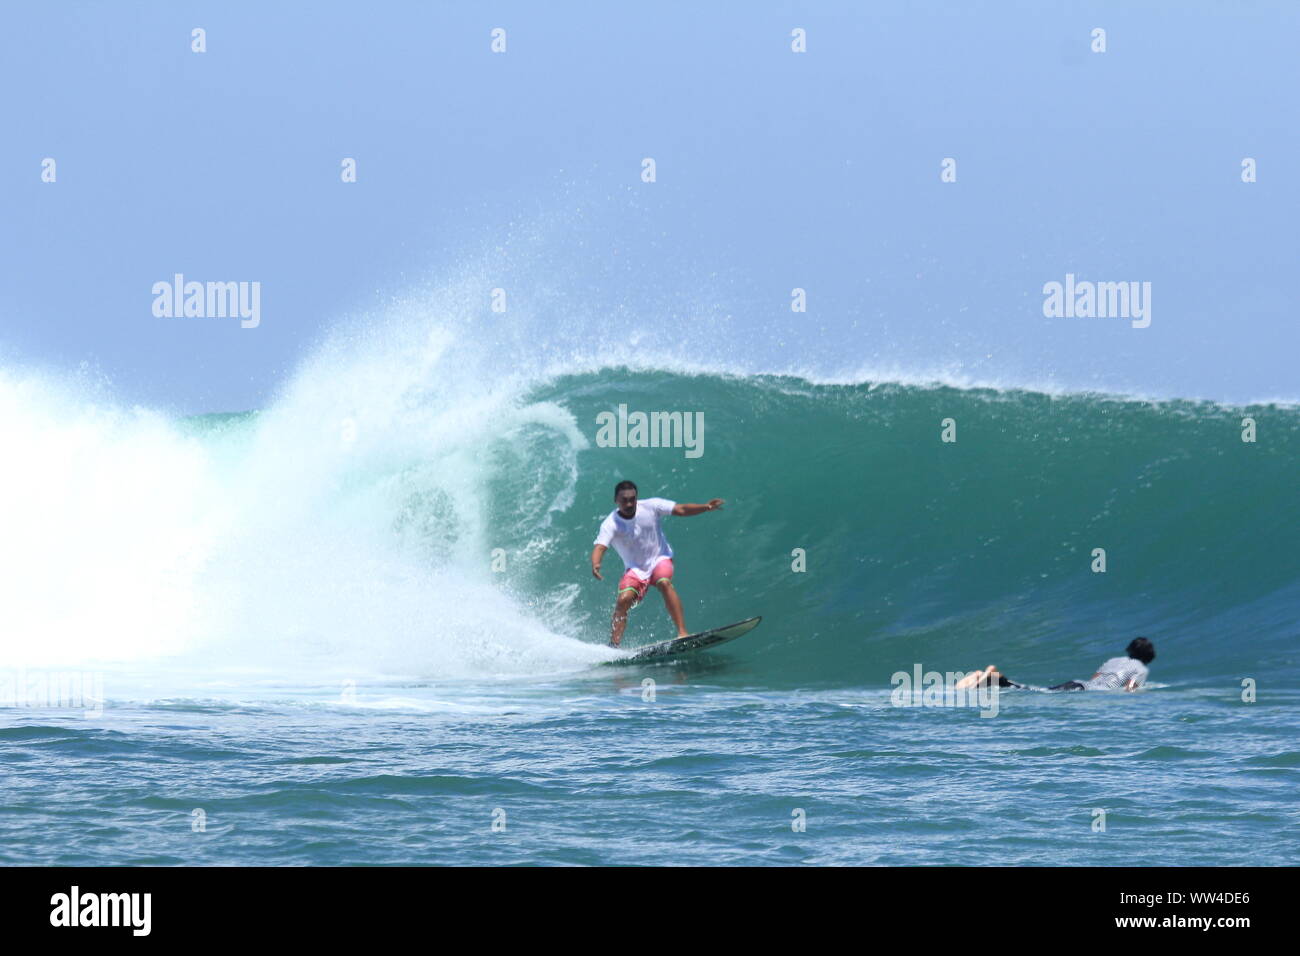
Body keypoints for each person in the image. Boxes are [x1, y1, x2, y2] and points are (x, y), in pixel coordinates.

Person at [590, 480, 724, 647]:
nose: (629, 504)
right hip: (635, 569)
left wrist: (706, 507)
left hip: (660, 558)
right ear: (616, 500)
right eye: (624, 500)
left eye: (632, 499)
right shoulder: (610, 523)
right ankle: (614, 645)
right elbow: (600, 547)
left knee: (663, 582)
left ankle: (682, 632)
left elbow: (681, 509)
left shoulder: (651, 506)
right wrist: (596, 563)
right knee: (623, 600)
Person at [954, 637, 1156, 692]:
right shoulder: (1141, 669)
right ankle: (997, 679)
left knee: (1039, 691)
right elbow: (1130, 689)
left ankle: (995, 679)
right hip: (1085, 691)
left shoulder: (1114, 660)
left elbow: (1095, 678)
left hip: (1079, 683)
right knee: (1037, 692)